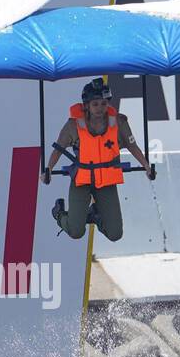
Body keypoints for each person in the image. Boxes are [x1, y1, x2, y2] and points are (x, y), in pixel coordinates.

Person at [42, 77, 153, 243]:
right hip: (82, 180)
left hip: (106, 181)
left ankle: (94, 215)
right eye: (95, 104)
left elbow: (133, 146)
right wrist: (48, 169)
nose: (100, 108)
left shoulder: (119, 123)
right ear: (86, 105)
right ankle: (59, 213)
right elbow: (58, 150)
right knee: (76, 231)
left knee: (115, 234)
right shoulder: (73, 125)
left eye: (104, 103)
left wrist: (146, 166)